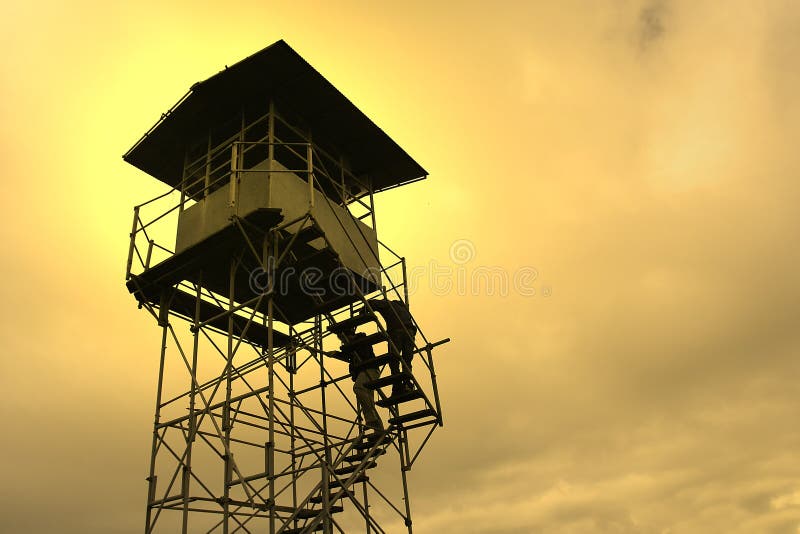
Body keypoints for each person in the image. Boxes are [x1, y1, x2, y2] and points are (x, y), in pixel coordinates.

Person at [336, 327, 383, 432]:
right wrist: (336, 354)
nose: (342, 341)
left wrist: (346, 349)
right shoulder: (354, 345)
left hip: (370, 369)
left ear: (348, 336)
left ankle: (371, 420)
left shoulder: (361, 340)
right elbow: (347, 355)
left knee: (358, 388)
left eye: (342, 339)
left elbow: (361, 353)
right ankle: (379, 429)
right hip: (366, 371)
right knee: (368, 401)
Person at [368, 298, 417, 395]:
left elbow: (373, 303)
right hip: (410, 333)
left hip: (397, 331)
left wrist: (364, 309)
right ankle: (407, 384)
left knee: (393, 359)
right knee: (407, 360)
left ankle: (397, 386)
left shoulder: (388, 304)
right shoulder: (403, 308)